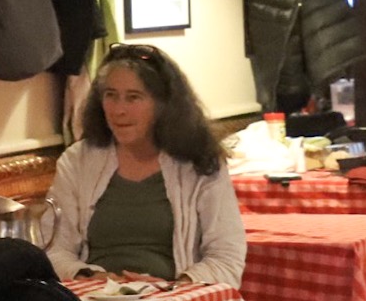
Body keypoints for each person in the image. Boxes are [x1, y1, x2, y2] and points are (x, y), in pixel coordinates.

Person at [44, 42, 246, 287]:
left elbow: (227, 258)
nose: (119, 110)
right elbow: (53, 249)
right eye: (111, 96)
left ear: (163, 106)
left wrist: (173, 287)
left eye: (133, 98)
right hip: (96, 300)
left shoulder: (199, 161)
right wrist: (95, 278)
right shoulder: (77, 161)